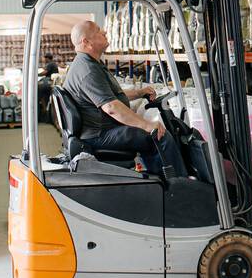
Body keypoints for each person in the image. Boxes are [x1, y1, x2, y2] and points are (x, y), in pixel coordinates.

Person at [62, 19, 189, 179]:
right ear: (86, 42)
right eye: (99, 31)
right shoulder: (87, 70)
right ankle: (178, 187)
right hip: (100, 135)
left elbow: (110, 95)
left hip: (101, 131)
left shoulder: (90, 63)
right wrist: (147, 125)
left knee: (152, 130)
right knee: (160, 136)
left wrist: (139, 92)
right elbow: (111, 107)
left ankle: (157, 180)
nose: (105, 33)